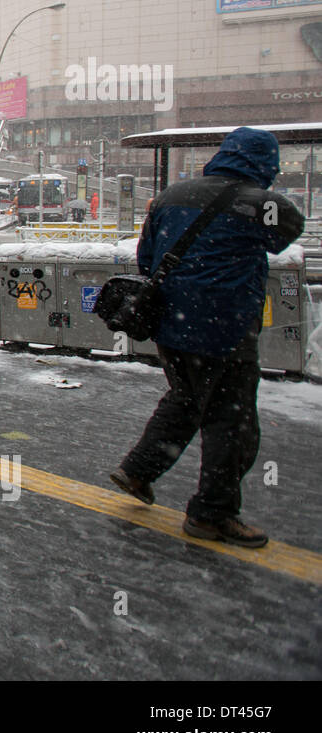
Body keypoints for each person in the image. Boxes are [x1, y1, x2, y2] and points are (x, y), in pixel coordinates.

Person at [109, 128, 304, 548]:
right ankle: (211, 514)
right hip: (224, 331)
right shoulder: (263, 203)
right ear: (265, 164)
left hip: (169, 327)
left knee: (185, 399)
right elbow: (288, 230)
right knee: (230, 423)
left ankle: (139, 470)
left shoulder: (169, 196)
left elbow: (147, 259)